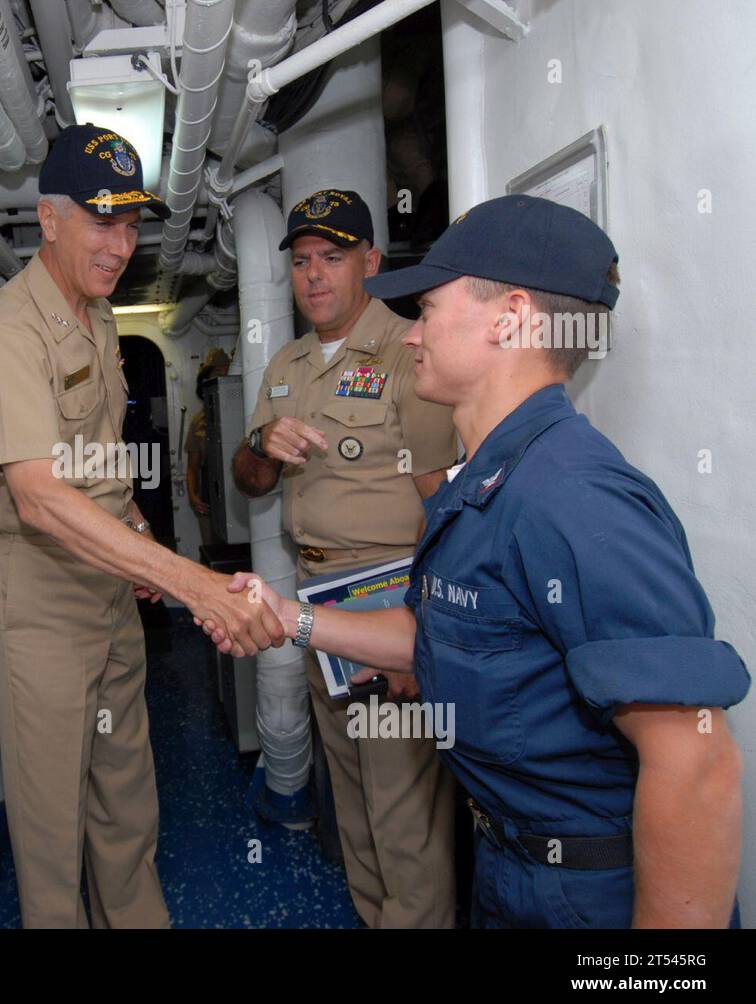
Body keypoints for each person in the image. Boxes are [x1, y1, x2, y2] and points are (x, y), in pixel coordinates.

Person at [208, 195, 750, 928]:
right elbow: (445, 630)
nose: (409, 337)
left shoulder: (574, 496)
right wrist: (293, 619)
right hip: (509, 863)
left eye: (428, 310)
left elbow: (697, 764)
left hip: (583, 894)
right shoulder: (493, 479)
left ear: (512, 316)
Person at [0, 124, 284, 928]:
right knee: (51, 824)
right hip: (41, 594)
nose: (120, 243)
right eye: (102, 220)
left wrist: (138, 530)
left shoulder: (100, 320)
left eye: (131, 223)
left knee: (127, 797)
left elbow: (97, 465)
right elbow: (36, 495)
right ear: (50, 218)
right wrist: (194, 584)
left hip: (107, 584)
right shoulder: (9, 328)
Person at [230, 188, 459, 928]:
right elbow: (249, 479)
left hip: (390, 600)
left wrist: (417, 637)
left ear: (371, 260)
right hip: (318, 601)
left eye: (332, 257)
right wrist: (263, 445)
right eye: (300, 262)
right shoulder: (289, 363)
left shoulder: (407, 352)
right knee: (354, 801)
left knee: (402, 812)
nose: (315, 276)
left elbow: (442, 505)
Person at [184, 348, 230, 548]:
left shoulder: (246, 413)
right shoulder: (199, 421)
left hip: (237, 499)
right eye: (217, 374)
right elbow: (193, 466)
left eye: (225, 373)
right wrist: (194, 496)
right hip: (209, 498)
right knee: (212, 551)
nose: (222, 378)